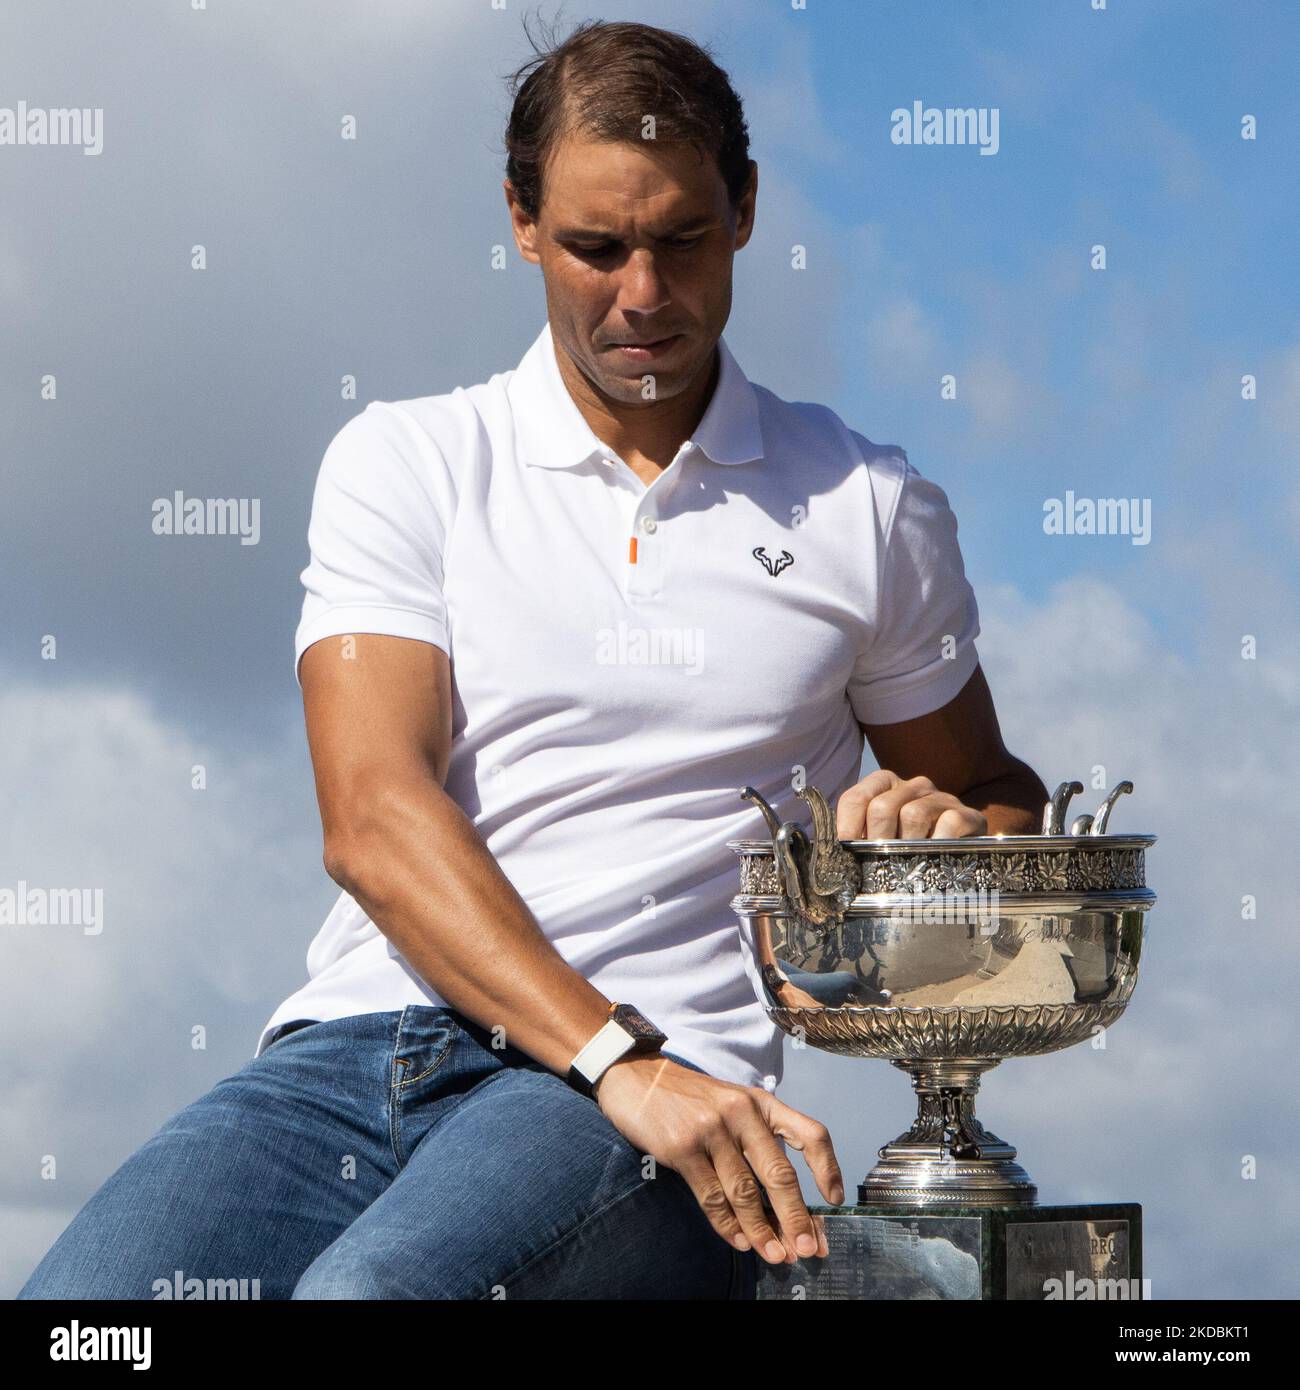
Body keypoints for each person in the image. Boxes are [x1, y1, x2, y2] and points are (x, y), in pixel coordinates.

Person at [19, 17, 1047, 1302]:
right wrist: (613, 1052)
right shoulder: (408, 461)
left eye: (678, 238)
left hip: (642, 1108)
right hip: (353, 1056)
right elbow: (373, 818)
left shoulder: (866, 507)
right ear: (519, 221)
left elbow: (998, 799)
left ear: (744, 212)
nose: (641, 295)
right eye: (594, 247)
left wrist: (935, 830)